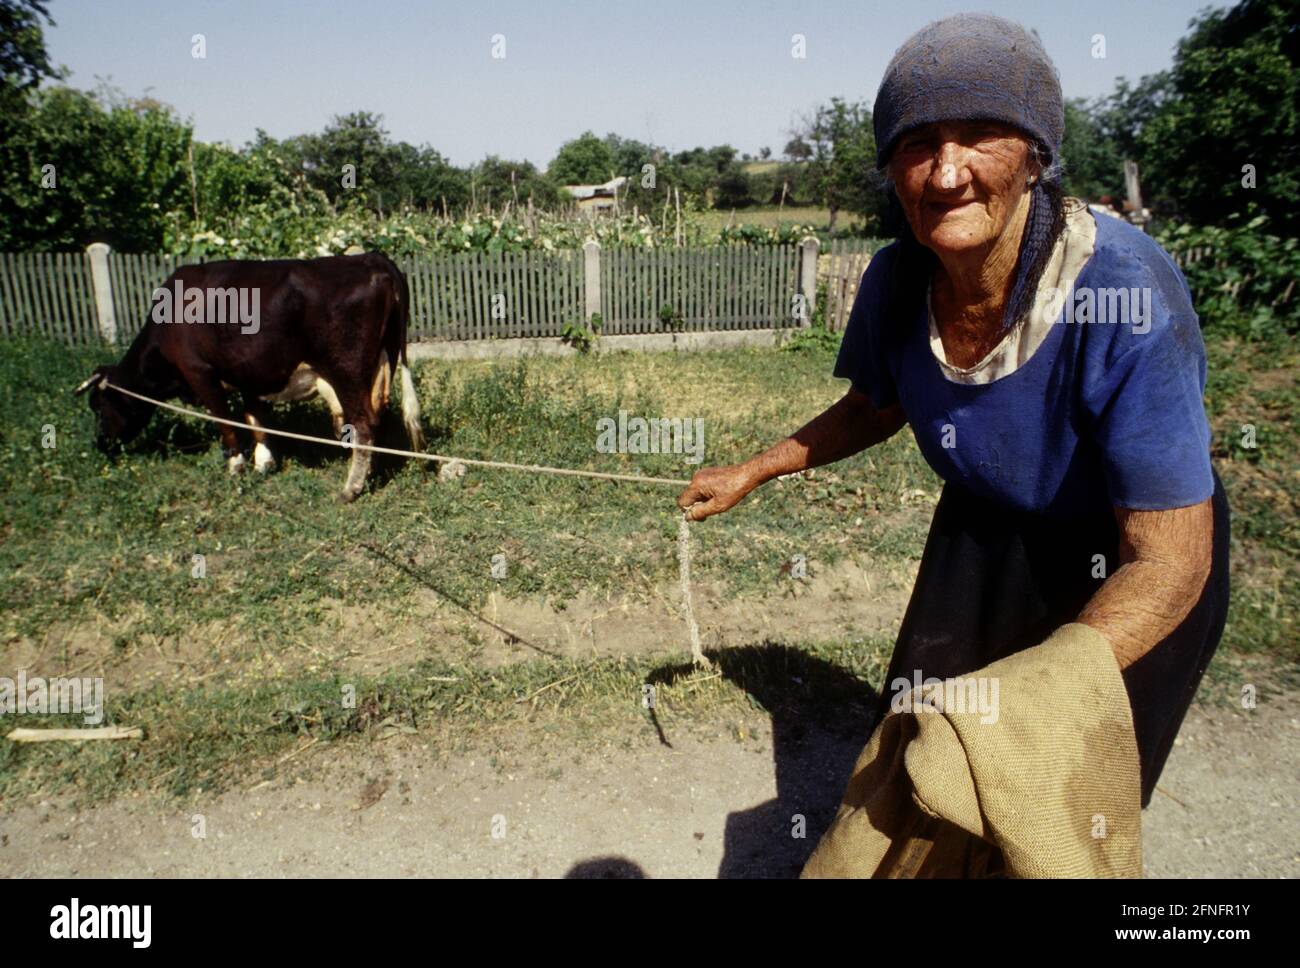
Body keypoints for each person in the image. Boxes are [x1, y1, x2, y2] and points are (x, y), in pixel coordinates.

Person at [677, 12, 1229, 810]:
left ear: (1036, 156)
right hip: (983, 533)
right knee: (922, 756)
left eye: (981, 135)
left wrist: (1049, 686)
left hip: (1130, 548)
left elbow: (1171, 557)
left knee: (1056, 791)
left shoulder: (1123, 291)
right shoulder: (898, 280)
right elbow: (875, 405)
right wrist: (754, 471)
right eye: (916, 144)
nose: (945, 174)